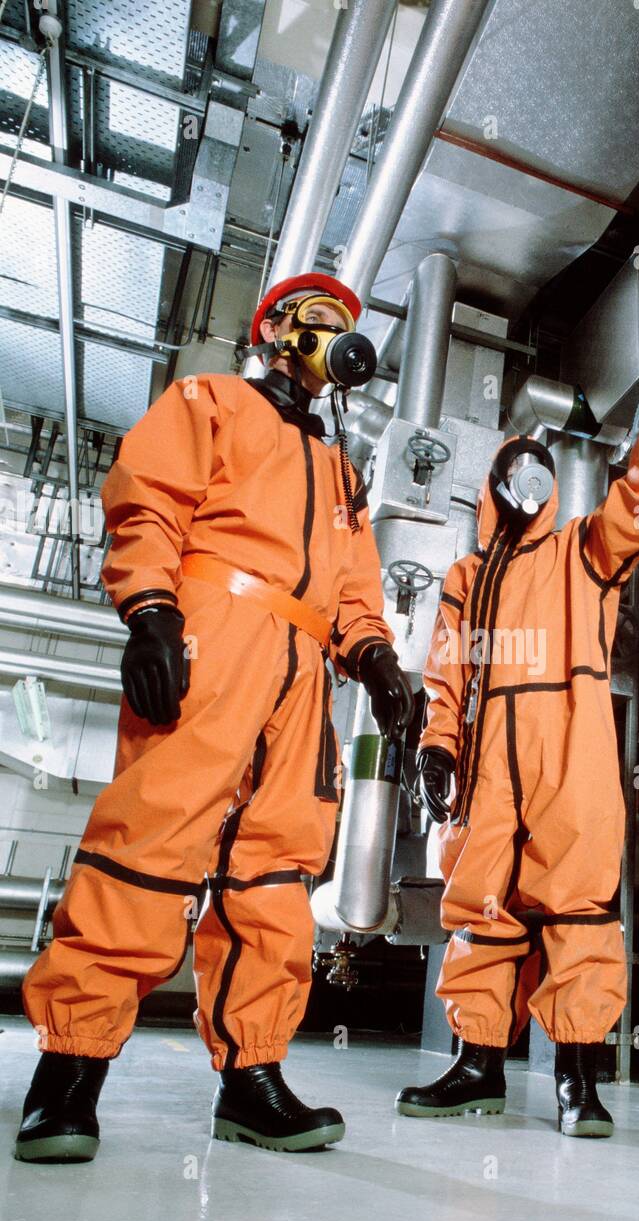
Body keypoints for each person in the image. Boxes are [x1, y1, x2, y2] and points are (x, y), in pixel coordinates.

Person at [16, 273, 414, 1163]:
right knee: (151, 842)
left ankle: (252, 1078)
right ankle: (70, 1074)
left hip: (304, 669)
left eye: (346, 325)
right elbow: (149, 498)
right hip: (215, 630)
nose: (334, 335)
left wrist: (376, 659)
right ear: (274, 329)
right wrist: (152, 607)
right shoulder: (212, 400)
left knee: (276, 871)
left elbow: (355, 589)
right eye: (319, 319)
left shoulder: (341, 470)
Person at [398, 344, 639, 1137]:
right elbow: (446, 676)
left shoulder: (582, 553)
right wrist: (437, 744)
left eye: (542, 472)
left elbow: (638, 506)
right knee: (481, 907)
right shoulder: (467, 580)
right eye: (517, 471)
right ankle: (476, 1068)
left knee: (579, 907)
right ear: (495, 489)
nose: (530, 484)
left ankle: (576, 1078)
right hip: (489, 754)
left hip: (571, 744)